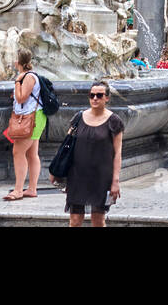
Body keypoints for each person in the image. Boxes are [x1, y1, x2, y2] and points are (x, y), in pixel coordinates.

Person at [53, 79, 123, 227]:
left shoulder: (114, 121)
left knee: (98, 221)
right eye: (92, 95)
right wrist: (58, 171)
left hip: (101, 177)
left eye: (99, 95)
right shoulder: (78, 118)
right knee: (75, 221)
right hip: (77, 176)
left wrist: (115, 181)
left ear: (107, 98)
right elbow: (66, 146)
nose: (95, 98)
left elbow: (117, 154)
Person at [5, 48, 44, 201]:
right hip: (34, 117)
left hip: (31, 118)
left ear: (18, 61)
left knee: (18, 152)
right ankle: (32, 189)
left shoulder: (27, 77)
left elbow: (21, 98)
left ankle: (18, 190)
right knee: (31, 153)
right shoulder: (28, 76)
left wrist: (16, 82)